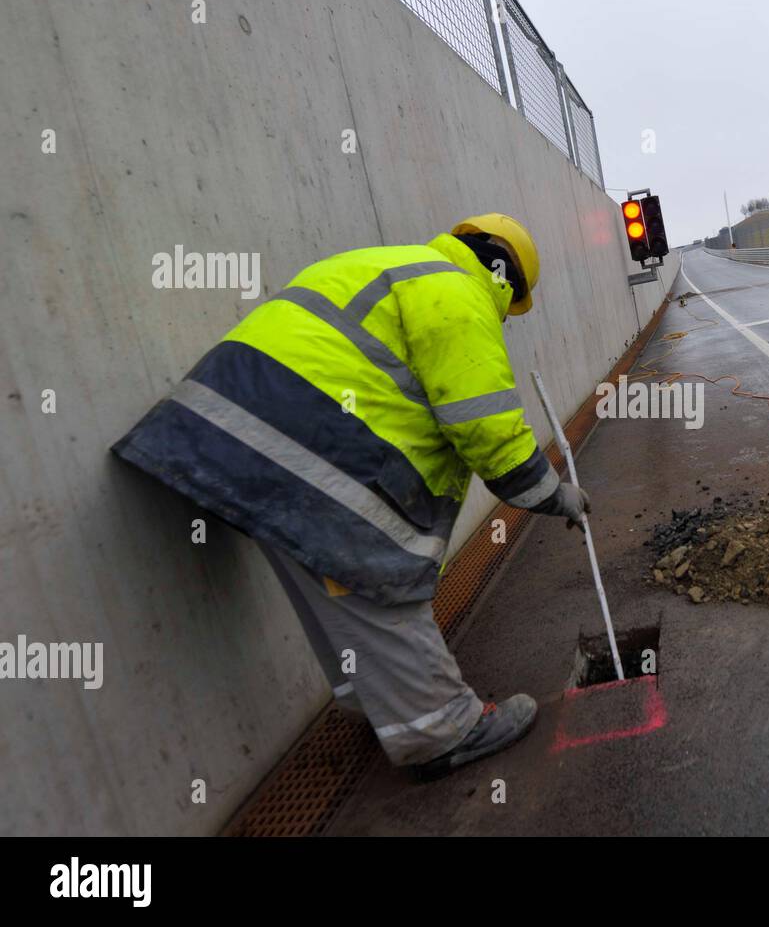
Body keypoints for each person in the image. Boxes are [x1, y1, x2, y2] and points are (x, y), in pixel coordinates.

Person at [113, 213, 589, 779]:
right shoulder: (458, 295)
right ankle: (442, 729)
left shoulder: (390, 266)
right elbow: (487, 430)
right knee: (373, 573)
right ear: (503, 275)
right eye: (510, 309)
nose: (504, 321)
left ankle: (375, 696)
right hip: (304, 446)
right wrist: (555, 496)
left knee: (324, 571)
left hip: (231, 440)